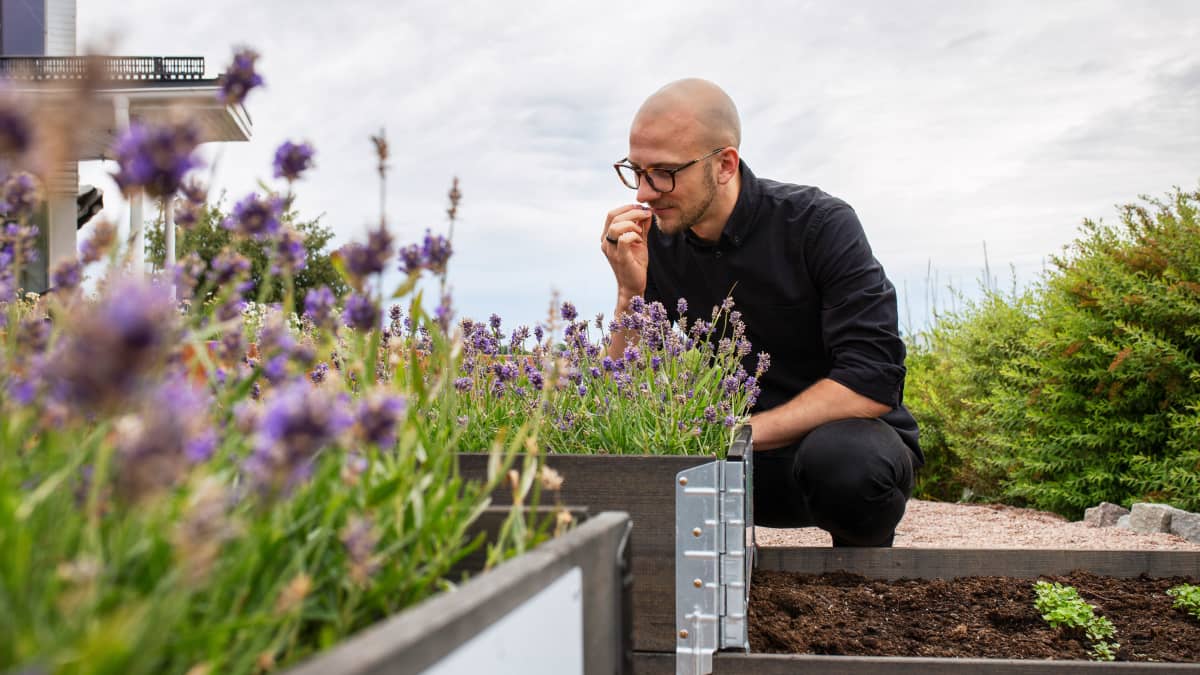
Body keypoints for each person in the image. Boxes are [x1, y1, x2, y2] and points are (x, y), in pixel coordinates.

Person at [600, 79, 921, 547]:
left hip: (837, 450)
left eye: (665, 172)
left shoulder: (819, 224)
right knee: (615, 458)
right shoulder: (657, 241)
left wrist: (730, 433)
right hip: (731, 462)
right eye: (637, 171)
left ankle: (862, 591)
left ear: (725, 164)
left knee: (846, 463)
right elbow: (621, 394)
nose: (646, 193)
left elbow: (870, 381)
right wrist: (629, 292)